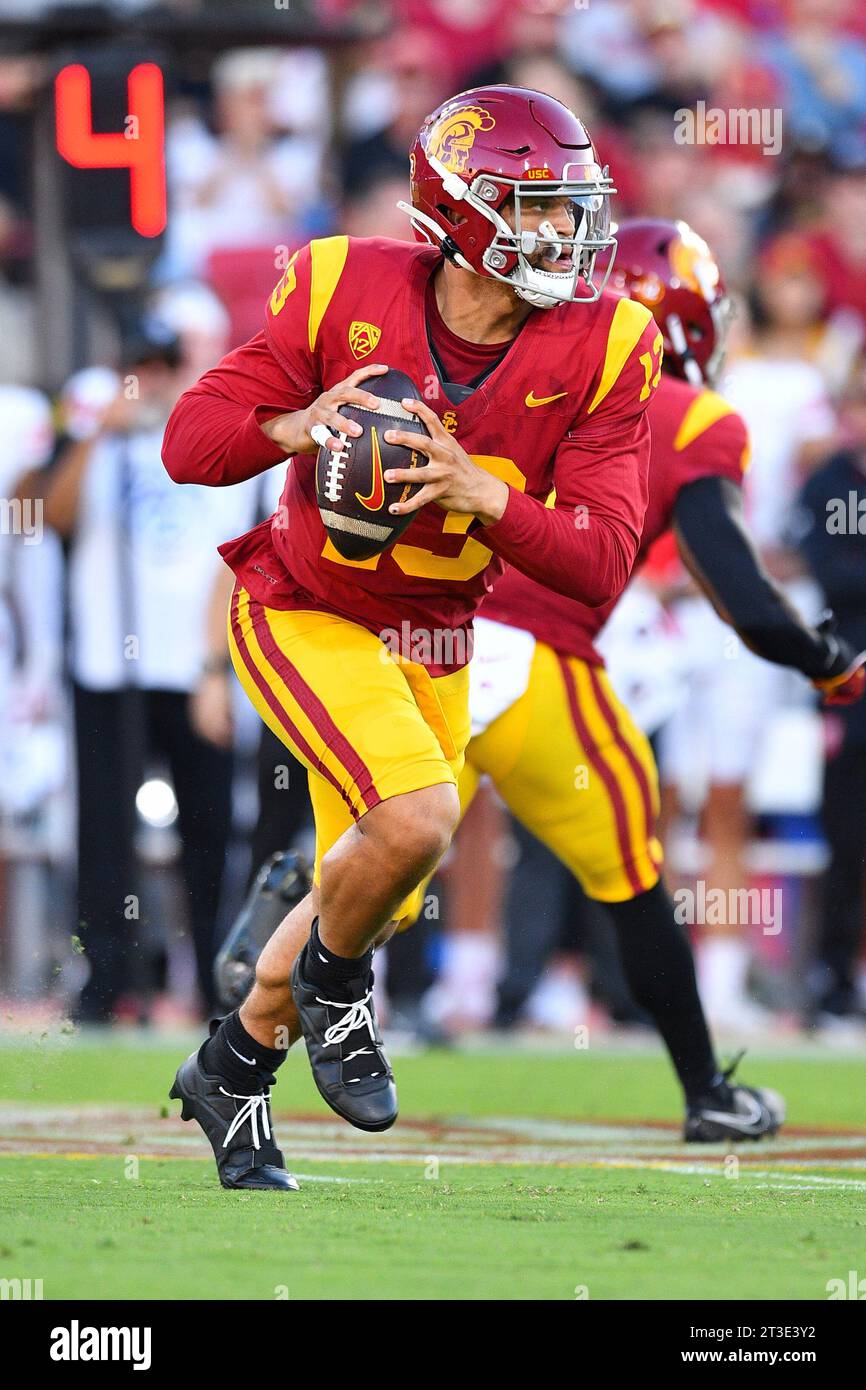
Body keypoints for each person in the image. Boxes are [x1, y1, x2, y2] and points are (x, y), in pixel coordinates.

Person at [162, 85, 662, 1191]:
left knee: (369, 876)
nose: (562, 232)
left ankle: (233, 1066)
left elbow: (598, 561)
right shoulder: (345, 282)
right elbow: (188, 443)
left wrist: (488, 495)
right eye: (532, 207)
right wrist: (290, 423)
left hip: (436, 636)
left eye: (569, 206)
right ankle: (339, 998)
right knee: (416, 819)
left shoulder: (608, 343)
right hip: (302, 605)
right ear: (460, 212)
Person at [446, 219, 864, 1136]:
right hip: (532, 652)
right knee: (633, 862)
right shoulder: (691, 416)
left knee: (372, 864)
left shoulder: (527, 356)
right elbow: (743, 597)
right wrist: (828, 659)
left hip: (426, 632)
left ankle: (239, 1043)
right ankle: (708, 1093)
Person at [40, 327, 242, 1023]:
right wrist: (98, 437)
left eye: (165, 367)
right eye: (141, 368)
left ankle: (216, 982)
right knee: (103, 835)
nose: (152, 381)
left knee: (210, 835)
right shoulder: (98, 434)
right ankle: (106, 980)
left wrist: (217, 666)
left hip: (192, 669)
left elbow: (234, 554)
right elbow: (45, 518)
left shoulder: (218, 431)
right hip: (107, 665)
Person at [796, 352, 866, 1030]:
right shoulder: (829, 483)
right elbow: (830, 571)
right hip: (851, 679)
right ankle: (831, 978)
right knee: (845, 839)